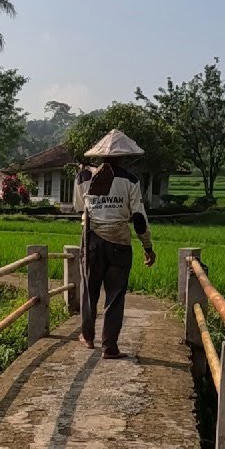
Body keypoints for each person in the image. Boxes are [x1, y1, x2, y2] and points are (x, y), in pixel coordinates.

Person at [72, 129, 156, 359]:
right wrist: (147, 247)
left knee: (89, 290)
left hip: (91, 241)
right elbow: (138, 218)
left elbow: (80, 208)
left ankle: (87, 337)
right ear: (124, 157)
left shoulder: (83, 177)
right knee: (115, 295)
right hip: (119, 242)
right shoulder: (130, 180)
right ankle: (110, 347)